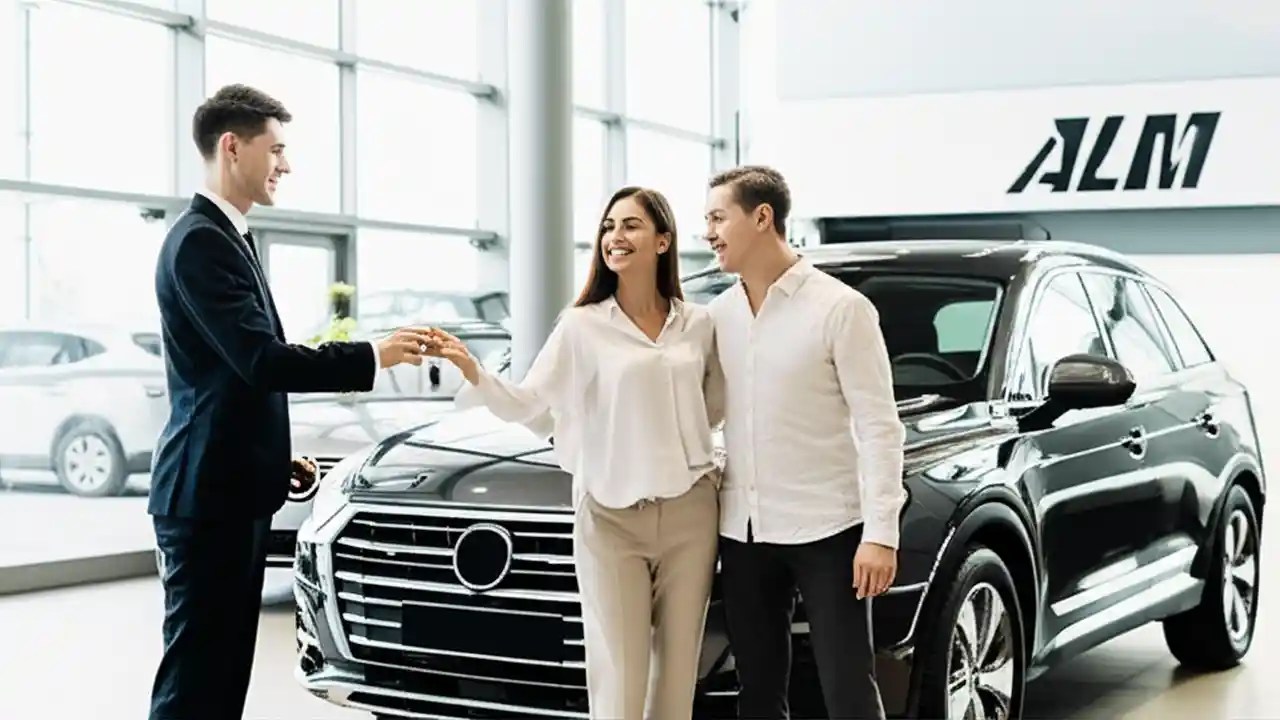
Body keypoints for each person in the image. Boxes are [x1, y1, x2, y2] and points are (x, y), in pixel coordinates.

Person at [148, 83, 433, 720]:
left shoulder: (226, 237)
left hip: (228, 488)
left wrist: (276, 461)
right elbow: (262, 360)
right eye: (275, 148)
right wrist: (373, 355)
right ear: (232, 147)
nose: (286, 164)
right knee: (196, 680)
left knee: (219, 675)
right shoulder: (201, 241)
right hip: (205, 499)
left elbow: (231, 383)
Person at [427, 186, 725, 720]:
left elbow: (717, 408)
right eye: (609, 226)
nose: (616, 236)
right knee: (619, 679)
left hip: (691, 515)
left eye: (631, 225)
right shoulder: (582, 326)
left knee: (677, 680)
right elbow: (527, 403)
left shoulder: (698, 324)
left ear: (663, 240)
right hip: (610, 520)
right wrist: (475, 371)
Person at [702, 165, 907, 720]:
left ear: (762, 217)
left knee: (847, 690)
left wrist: (881, 534)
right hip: (743, 532)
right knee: (758, 693)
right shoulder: (718, 316)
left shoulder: (840, 309)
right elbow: (705, 413)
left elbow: (879, 426)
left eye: (718, 217)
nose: (708, 232)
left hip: (830, 532)